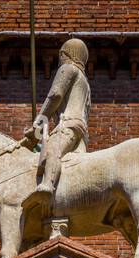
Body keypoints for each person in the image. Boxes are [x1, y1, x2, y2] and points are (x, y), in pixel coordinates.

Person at [24, 38, 91, 210]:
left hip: (68, 124)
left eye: (61, 55)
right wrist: (38, 134)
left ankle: (47, 185)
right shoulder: (84, 81)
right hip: (80, 131)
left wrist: (37, 123)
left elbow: (55, 95)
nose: (60, 59)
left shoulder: (68, 69)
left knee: (52, 149)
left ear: (66, 53)